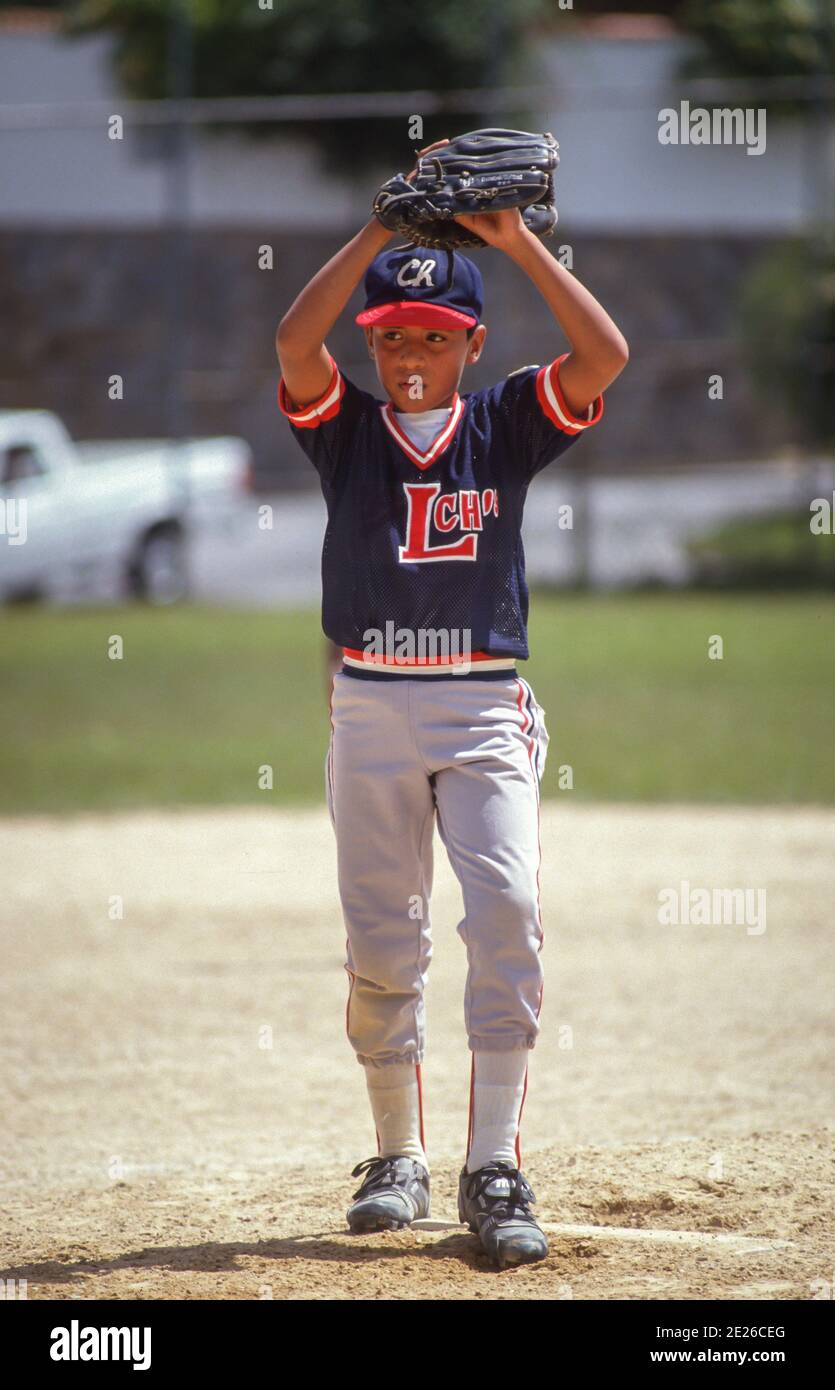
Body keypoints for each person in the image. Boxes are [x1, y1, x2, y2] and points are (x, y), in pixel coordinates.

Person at [275, 172, 628, 1269]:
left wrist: (516, 243)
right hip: (372, 702)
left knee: (509, 914)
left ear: (471, 343)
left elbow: (605, 355)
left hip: (479, 703)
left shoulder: (506, 421)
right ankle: (396, 1155)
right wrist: (378, 226)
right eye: (390, 336)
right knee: (383, 940)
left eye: (432, 332)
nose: (408, 352)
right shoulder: (348, 431)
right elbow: (294, 344)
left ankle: (493, 1162)